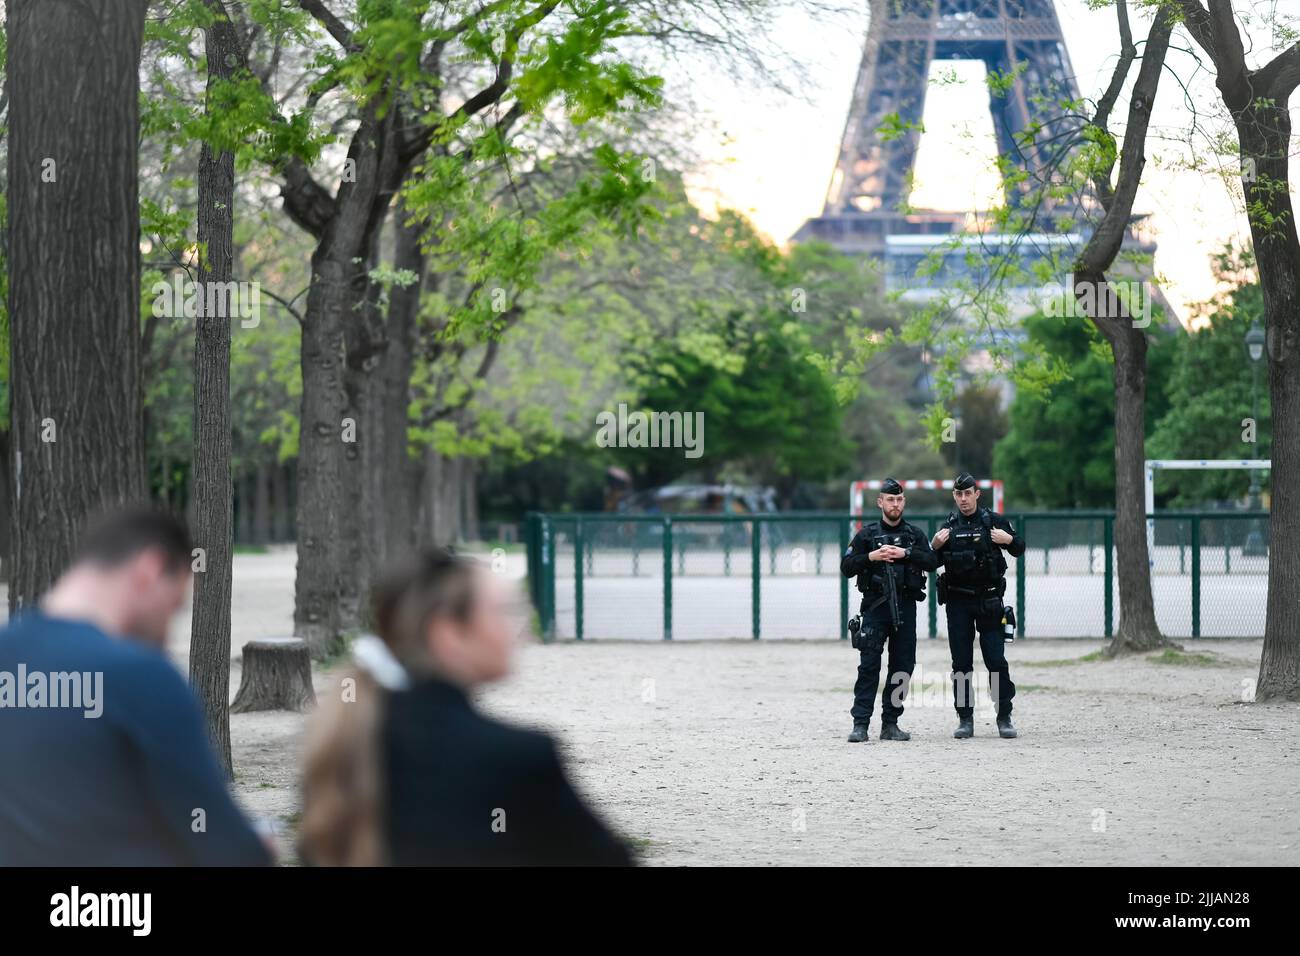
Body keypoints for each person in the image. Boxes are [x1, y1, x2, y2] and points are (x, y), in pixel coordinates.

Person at [300, 547, 632, 866]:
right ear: (449, 634)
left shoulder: (342, 739)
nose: (522, 625)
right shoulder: (517, 758)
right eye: (505, 611)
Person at [0, 507, 273, 866]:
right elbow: (228, 847)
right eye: (174, 605)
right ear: (150, 569)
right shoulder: (142, 676)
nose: (166, 630)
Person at [840, 478, 938, 742]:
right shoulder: (867, 535)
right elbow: (846, 567)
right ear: (880, 502)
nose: (894, 504)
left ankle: (890, 723)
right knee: (869, 666)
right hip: (875, 608)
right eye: (889, 499)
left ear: (903, 502)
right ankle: (860, 724)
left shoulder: (914, 535)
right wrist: (871, 557)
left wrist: (906, 554)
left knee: (903, 666)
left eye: (898, 499)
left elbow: (931, 561)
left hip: (905, 608)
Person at [931, 472, 1025, 739]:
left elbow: (1019, 547)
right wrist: (934, 546)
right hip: (958, 602)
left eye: (967, 493)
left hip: (989, 600)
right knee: (961, 664)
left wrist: (1008, 540)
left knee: (996, 660)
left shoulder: (992, 521)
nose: (963, 499)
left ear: (977, 494)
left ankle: (1004, 715)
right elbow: (930, 562)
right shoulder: (948, 527)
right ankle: (965, 719)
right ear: (954, 496)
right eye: (958, 494)